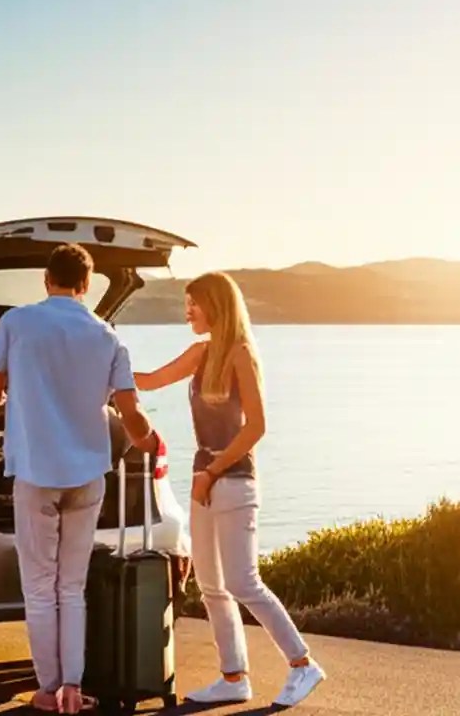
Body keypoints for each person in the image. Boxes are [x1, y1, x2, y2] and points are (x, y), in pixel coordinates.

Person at [135, 271, 326, 707]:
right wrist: (102, 366)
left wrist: (213, 471)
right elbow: (148, 380)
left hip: (234, 481)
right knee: (211, 585)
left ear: (216, 306)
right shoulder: (200, 354)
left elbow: (256, 426)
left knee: (244, 582)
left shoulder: (240, 354)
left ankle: (302, 664)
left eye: (194, 304)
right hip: (206, 478)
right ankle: (233, 676)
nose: (187, 311)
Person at [0, 243, 160, 714]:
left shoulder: (15, 323)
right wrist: (150, 441)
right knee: (72, 586)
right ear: (86, 284)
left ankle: (47, 689)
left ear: (46, 278)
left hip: (36, 474)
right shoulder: (107, 337)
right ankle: (74, 690)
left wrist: (15, 400)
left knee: (40, 586)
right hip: (87, 474)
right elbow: (131, 412)